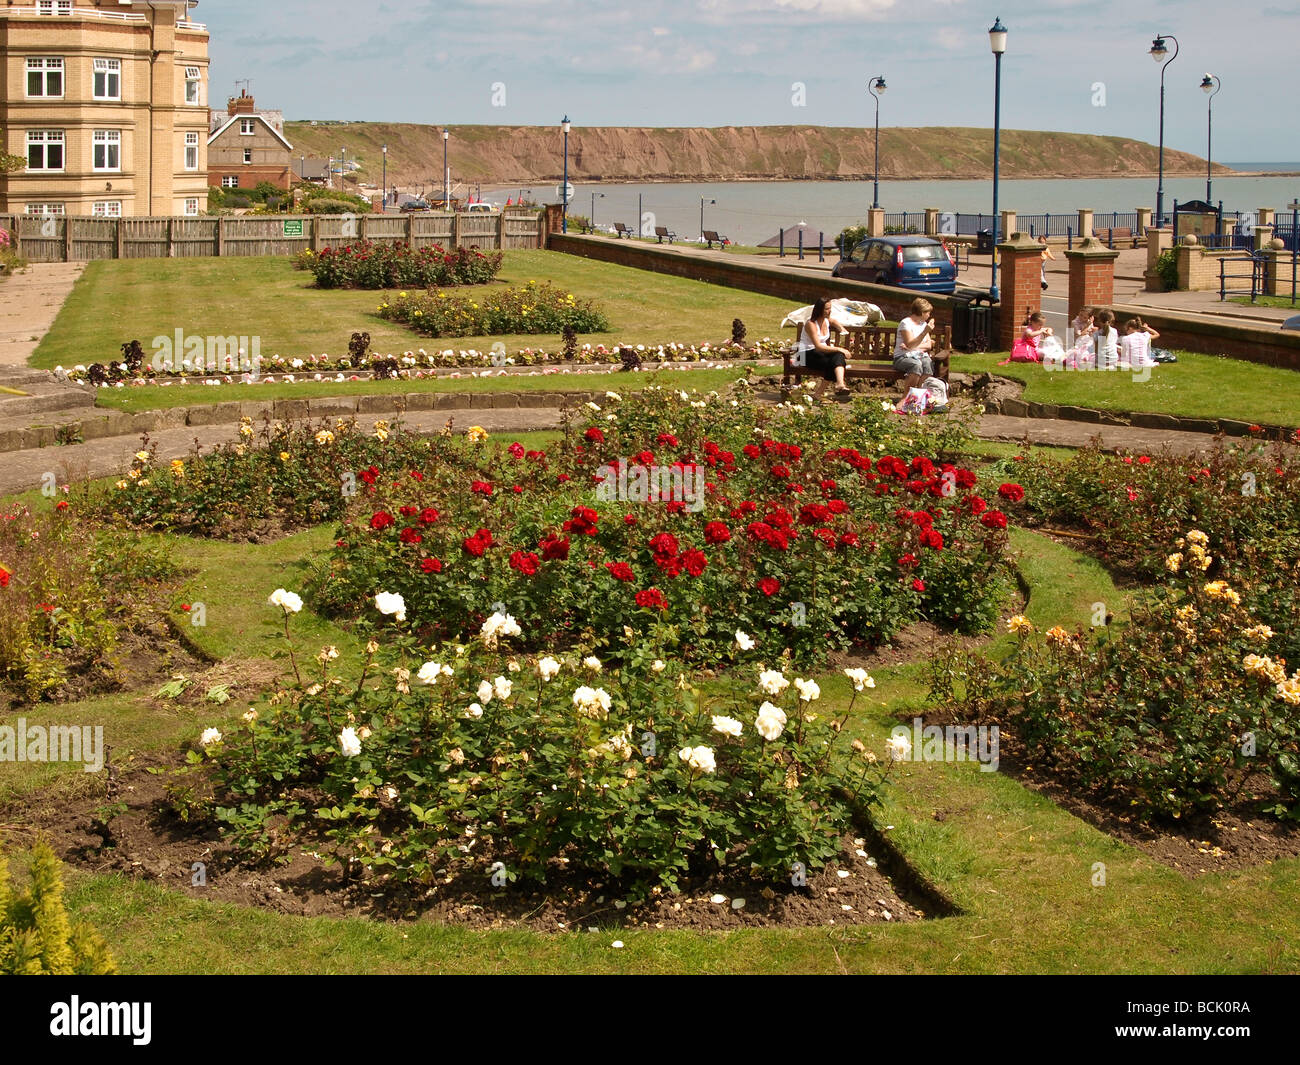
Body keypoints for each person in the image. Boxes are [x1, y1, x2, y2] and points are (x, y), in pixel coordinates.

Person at [797, 296, 853, 396]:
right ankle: (821, 392)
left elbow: (833, 321)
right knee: (835, 361)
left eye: (830, 308)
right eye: (827, 309)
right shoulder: (811, 324)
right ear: (819, 310)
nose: (829, 311)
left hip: (819, 353)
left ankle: (840, 384)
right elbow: (818, 346)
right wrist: (840, 349)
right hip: (806, 354)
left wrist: (840, 328)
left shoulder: (826, 320)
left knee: (837, 358)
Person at [893, 297, 936, 387]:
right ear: (922, 312)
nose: (929, 315)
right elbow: (911, 343)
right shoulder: (905, 323)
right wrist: (924, 332)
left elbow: (928, 345)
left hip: (918, 356)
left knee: (928, 364)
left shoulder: (923, 324)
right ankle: (907, 397)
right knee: (916, 365)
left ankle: (920, 396)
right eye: (928, 313)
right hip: (902, 358)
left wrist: (911, 347)